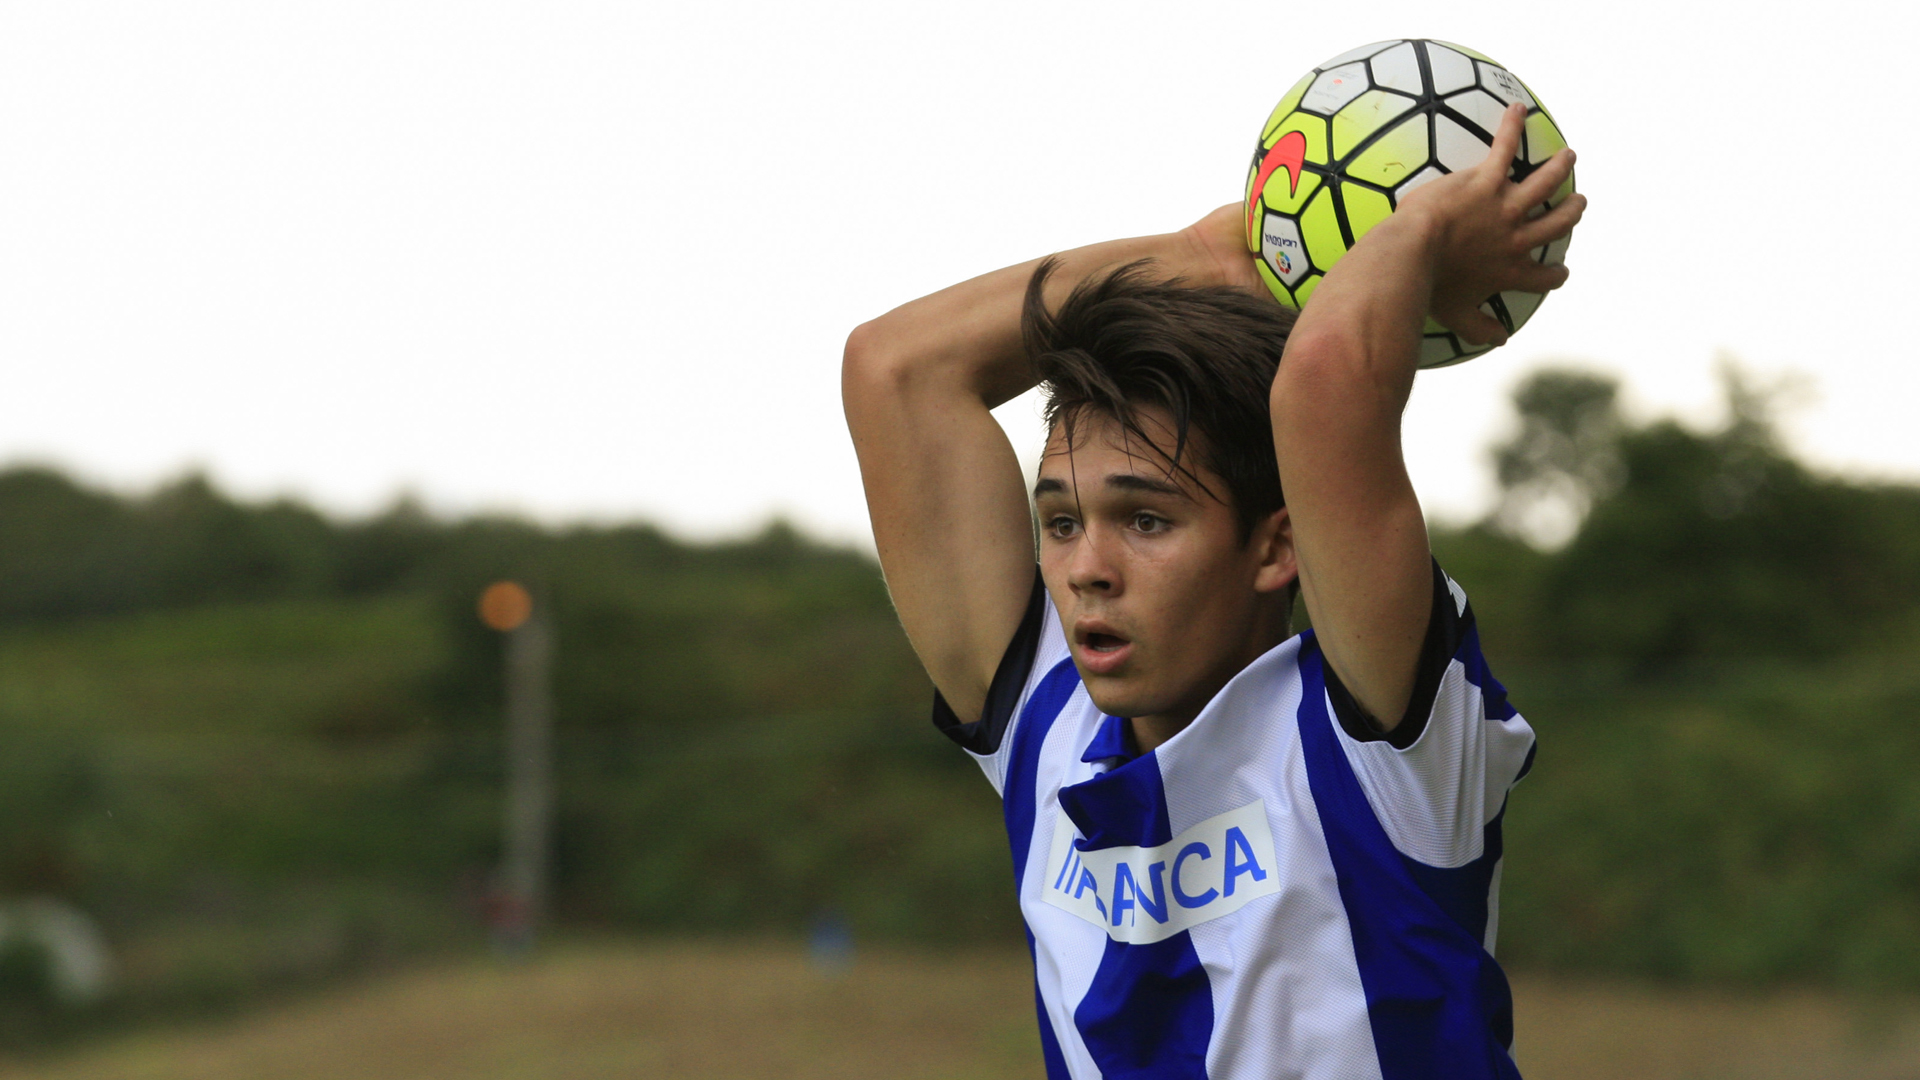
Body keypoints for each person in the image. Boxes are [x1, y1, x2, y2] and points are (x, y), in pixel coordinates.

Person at [842, 104, 1582, 1078]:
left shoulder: (1379, 738)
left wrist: (1425, 223)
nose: (1085, 567)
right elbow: (895, 370)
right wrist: (1205, 256)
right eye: (1060, 522)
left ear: (1280, 548)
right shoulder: (1047, 727)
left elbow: (1324, 379)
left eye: (1146, 520)